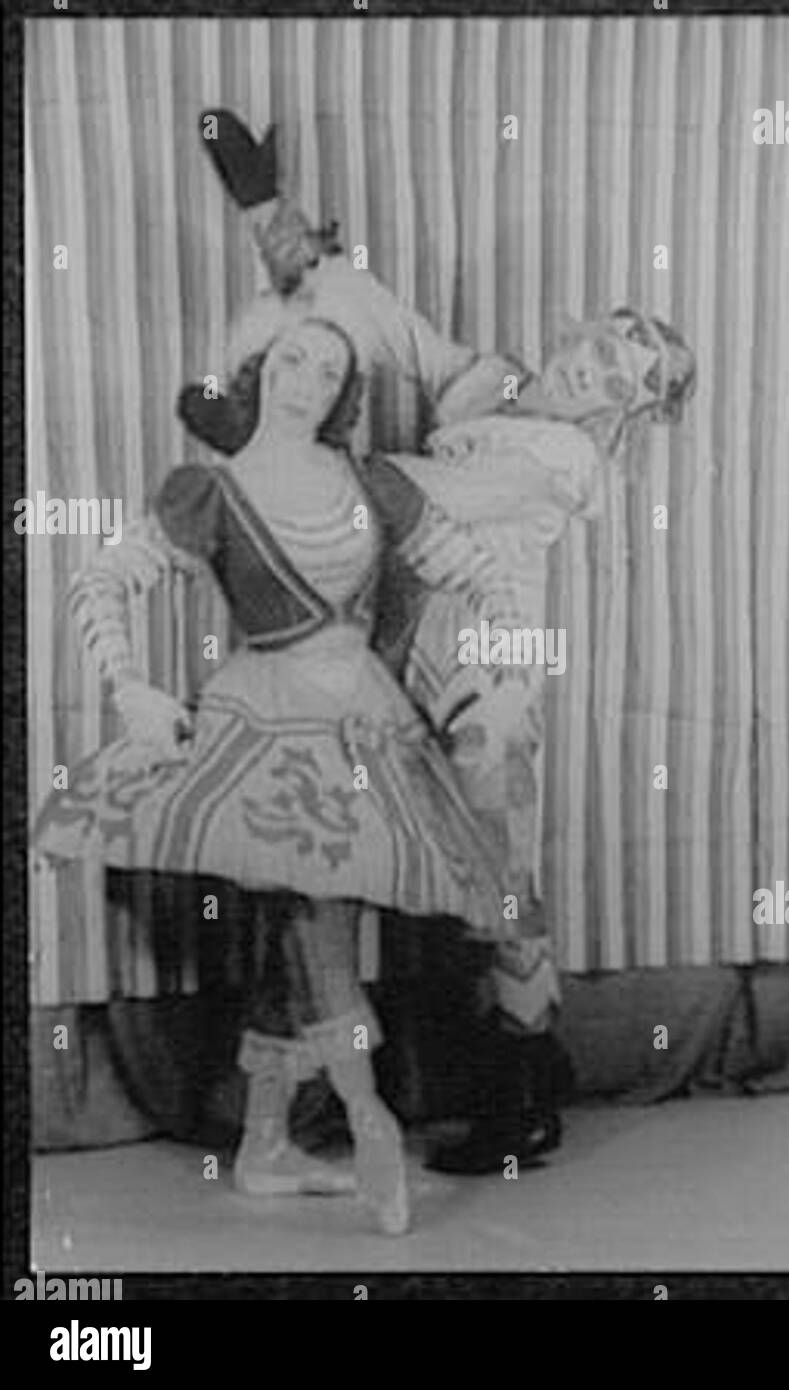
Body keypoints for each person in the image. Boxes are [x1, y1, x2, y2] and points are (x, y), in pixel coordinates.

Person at [182, 109, 696, 1174]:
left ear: (620, 419)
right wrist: (276, 223)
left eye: (616, 381)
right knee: (325, 852)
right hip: (395, 656)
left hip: (480, 680)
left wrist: (276, 453)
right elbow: (390, 319)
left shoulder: (563, 461)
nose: (591, 374)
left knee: (493, 882)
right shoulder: (501, 385)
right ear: (576, 333)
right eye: (599, 349)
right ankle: (306, 1103)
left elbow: (420, 493)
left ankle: (523, 1085)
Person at [34, 313, 536, 1234]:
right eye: (294, 359)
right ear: (261, 371)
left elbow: (489, 574)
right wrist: (127, 690)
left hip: (367, 725)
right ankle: (365, 1110)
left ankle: (268, 1142)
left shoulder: (371, 485)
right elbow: (98, 581)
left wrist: (505, 679)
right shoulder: (211, 493)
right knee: (314, 910)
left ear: (345, 393)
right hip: (259, 723)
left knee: (297, 919)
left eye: (330, 368)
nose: (306, 379)